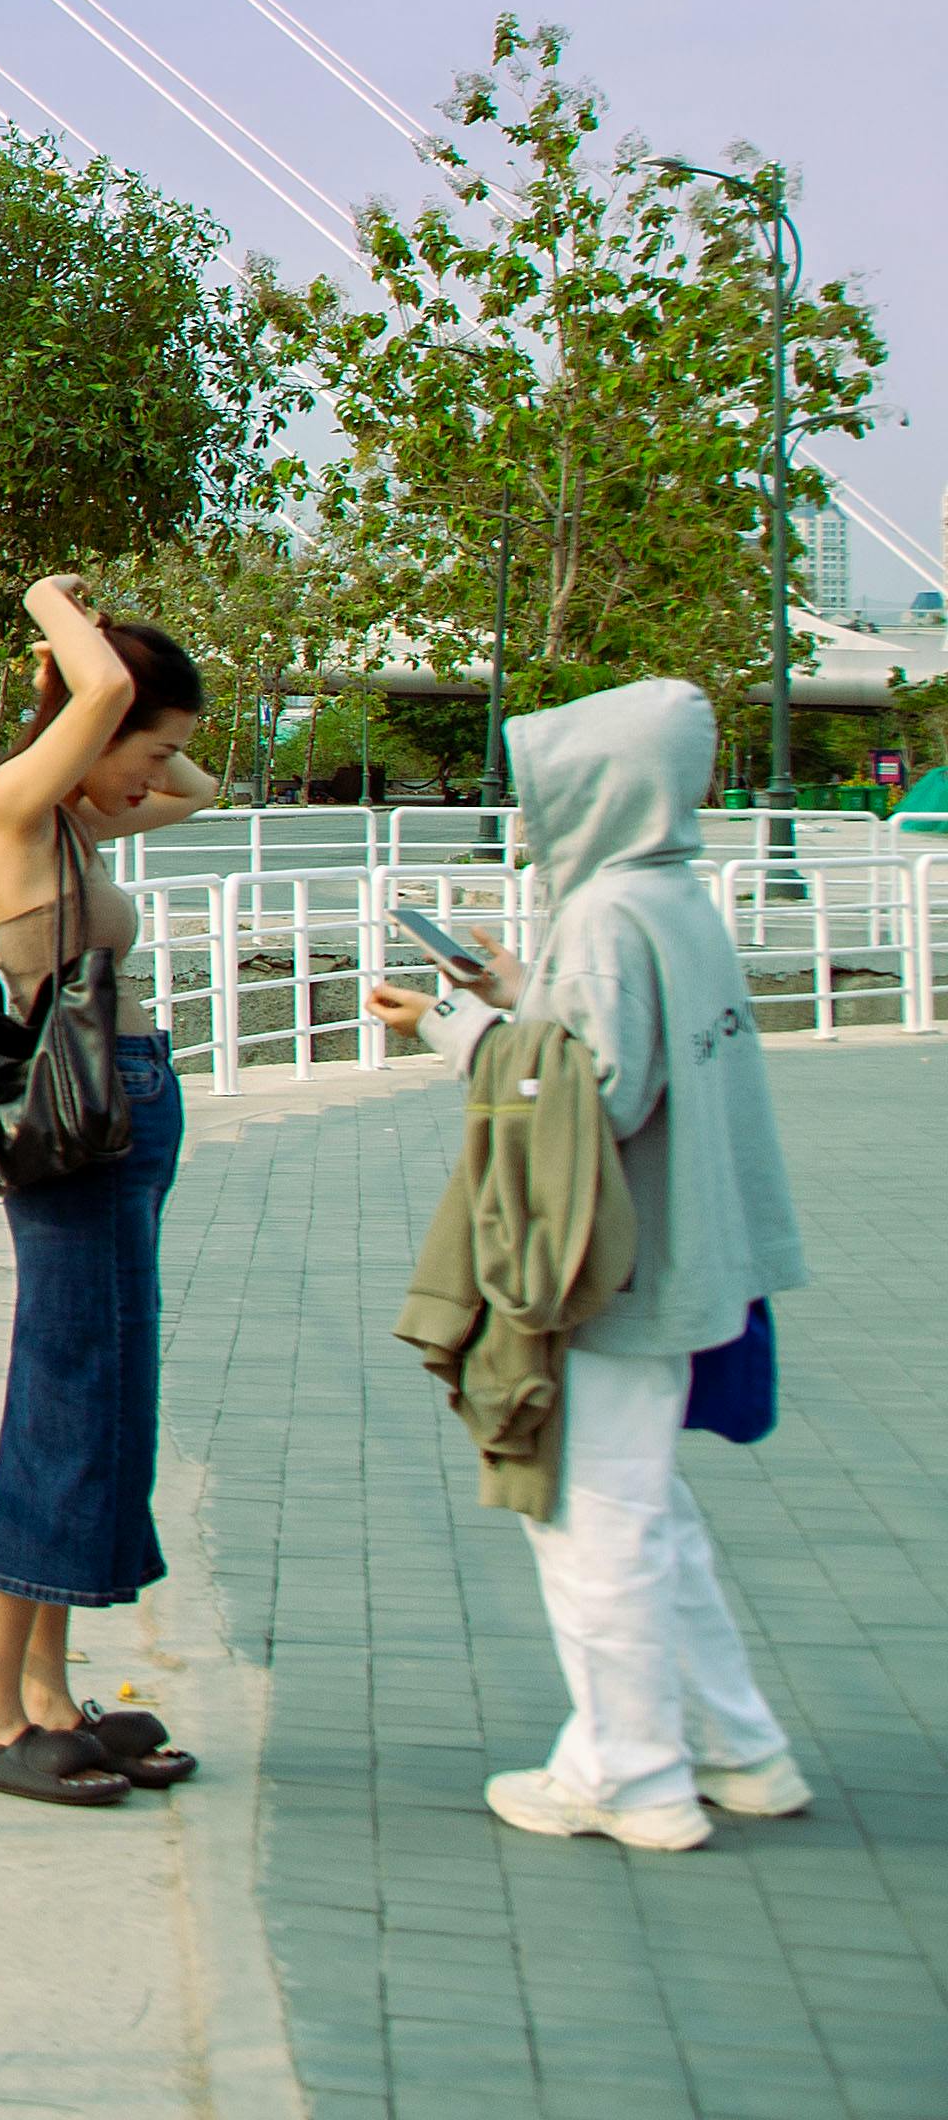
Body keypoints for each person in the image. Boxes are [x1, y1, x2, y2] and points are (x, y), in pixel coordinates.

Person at [362, 678, 811, 1850]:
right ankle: (739, 1749)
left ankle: (632, 1777)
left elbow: (589, 1100)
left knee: (587, 1515)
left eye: (547, 787)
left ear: (599, 789)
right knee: (647, 1512)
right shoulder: (671, 896)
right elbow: (617, 1048)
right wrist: (523, 993)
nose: (532, 811)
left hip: (608, 1264)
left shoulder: (607, 913)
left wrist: (451, 1027)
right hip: (687, 1249)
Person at [0, 575, 221, 1806]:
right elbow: (103, 691)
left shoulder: (75, 822)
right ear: (90, 729)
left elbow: (204, 792)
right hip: (79, 1127)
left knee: (105, 1398)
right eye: (144, 751)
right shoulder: (14, 808)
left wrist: (125, 738)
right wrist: (57, 612)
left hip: (122, 1111)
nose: (159, 776)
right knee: (65, 1397)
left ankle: (51, 1698)